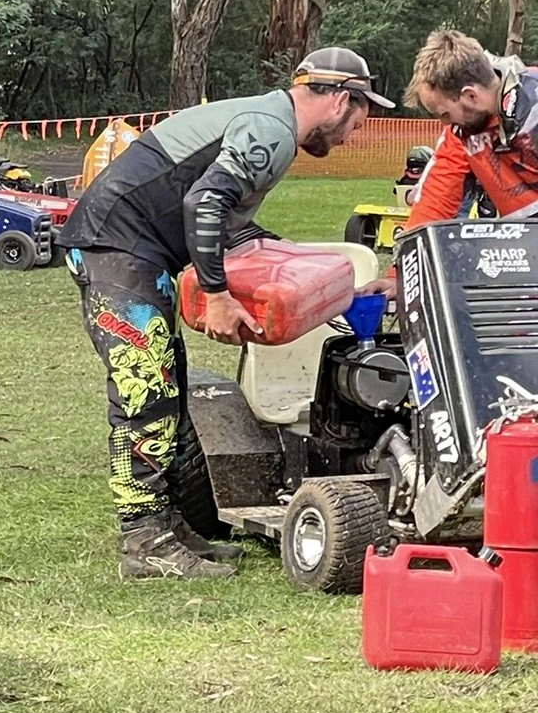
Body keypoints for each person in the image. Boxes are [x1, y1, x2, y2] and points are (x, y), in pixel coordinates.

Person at [61, 47, 389, 580]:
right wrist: (216, 294)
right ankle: (143, 542)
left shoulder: (268, 123)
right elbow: (205, 205)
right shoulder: (271, 130)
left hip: (132, 248)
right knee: (145, 390)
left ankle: (166, 524)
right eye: (360, 117)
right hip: (115, 246)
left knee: (168, 386)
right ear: (340, 100)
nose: (354, 134)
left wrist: (336, 284)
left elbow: (235, 228)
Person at [401, 29, 538, 229]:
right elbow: (434, 200)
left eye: (445, 114)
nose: (445, 124)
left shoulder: (532, 108)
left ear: (470, 96)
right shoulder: (462, 132)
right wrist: (407, 256)